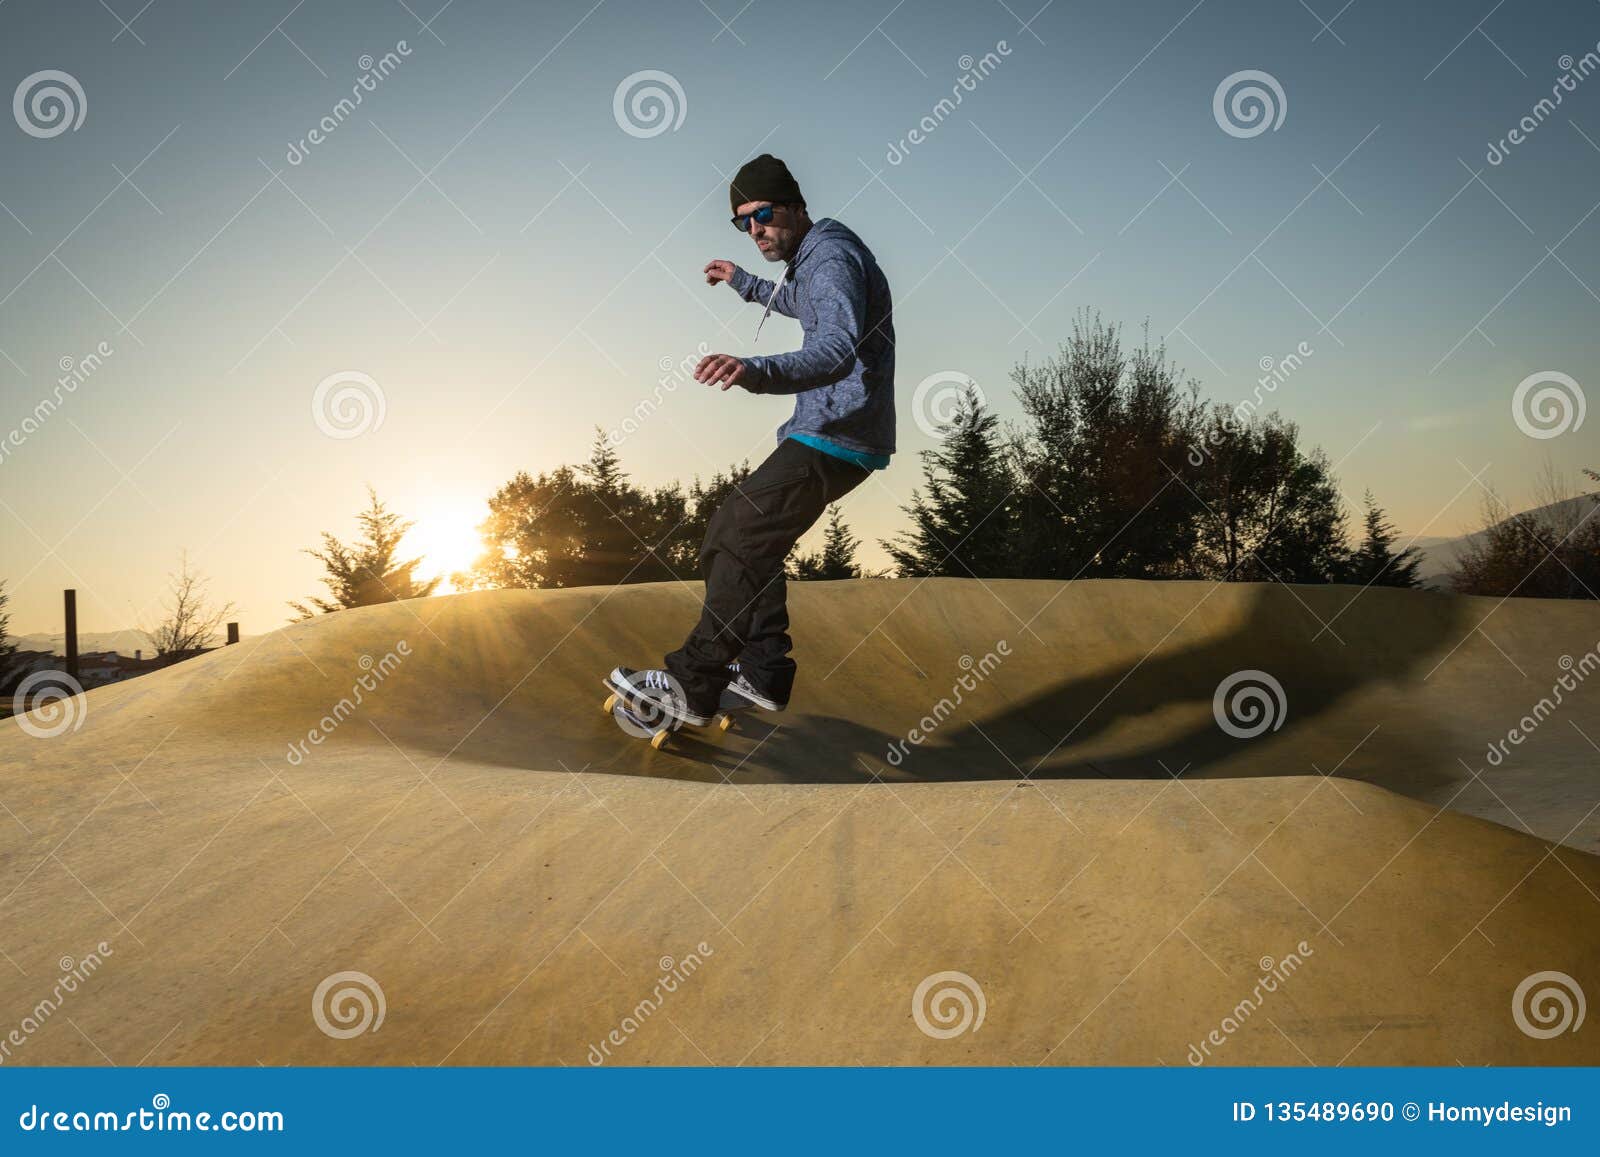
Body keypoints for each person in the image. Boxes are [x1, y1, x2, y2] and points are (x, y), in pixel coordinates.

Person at [608, 153, 896, 726]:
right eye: (744, 222)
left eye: (763, 215)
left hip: (836, 434)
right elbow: (799, 302)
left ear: (795, 206)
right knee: (736, 532)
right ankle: (764, 672)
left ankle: (693, 684)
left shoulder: (832, 259)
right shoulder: (813, 259)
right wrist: (742, 282)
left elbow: (837, 347)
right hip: (832, 433)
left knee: (740, 535)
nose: (756, 230)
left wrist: (756, 370)